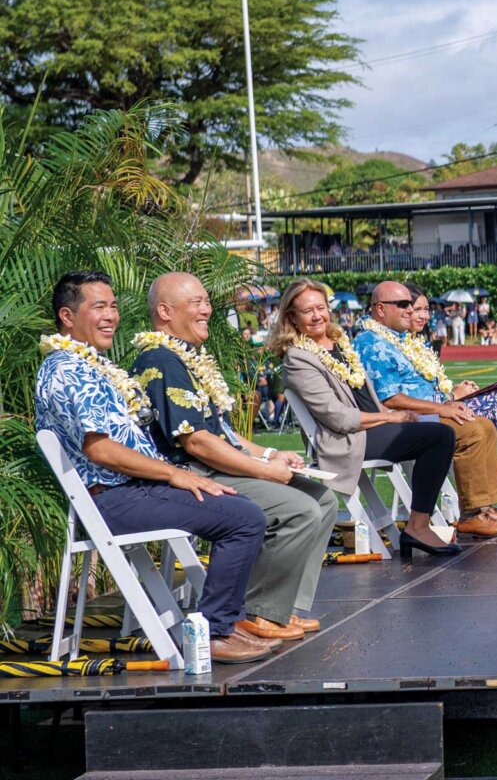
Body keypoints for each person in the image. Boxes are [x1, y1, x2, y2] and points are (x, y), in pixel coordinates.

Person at [35, 271, 274, 664]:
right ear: (67, 315)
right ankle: (214, 632)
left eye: (112, 305)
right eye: (99, 307)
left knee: (238, 506)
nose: (111, 315)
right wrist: (174, 473)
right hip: (114, 499)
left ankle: (224, 626)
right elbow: (101, 450)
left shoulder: (91, 365)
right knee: (243, 518)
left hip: (135, 491)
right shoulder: (67, 369)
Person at [131, 273, 336, 644]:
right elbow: (198, 444)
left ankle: (283, 605)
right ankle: (258, 612)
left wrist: (272, 454)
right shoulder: (161, 360)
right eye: (196, 302)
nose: (207, 309)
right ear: (164, 311)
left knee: (324, 498)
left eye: (206, 301)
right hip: (193, 474)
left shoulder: (187, 357)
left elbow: (223, 433)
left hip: (217, 463)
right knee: (301, 509)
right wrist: (266, 471)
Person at [270, 279, 463, 557]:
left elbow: (367, 397)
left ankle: (433, 521)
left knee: (440, 428)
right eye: (307, 311)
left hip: (374, 425)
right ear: (292, 317)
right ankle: (418, 527)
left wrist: (389, 415)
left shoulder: (338, 342)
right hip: (349, 439)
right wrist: (389, 418)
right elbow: (338, 419)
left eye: (321, 307)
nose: (317, 316)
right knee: (439, 437)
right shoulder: (298, 358)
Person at [353, 281, 497, 537]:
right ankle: (472, 515)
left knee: (482, 425)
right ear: (380, 309)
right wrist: (444, 408)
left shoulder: (400, 340)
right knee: (472, 428)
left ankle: (485, 509)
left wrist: (447, 403)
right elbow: (390, 399)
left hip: (425, 413)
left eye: (411, 304)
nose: (410, 310)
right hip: (400, 423)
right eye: (403, 305)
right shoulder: (372, 343)